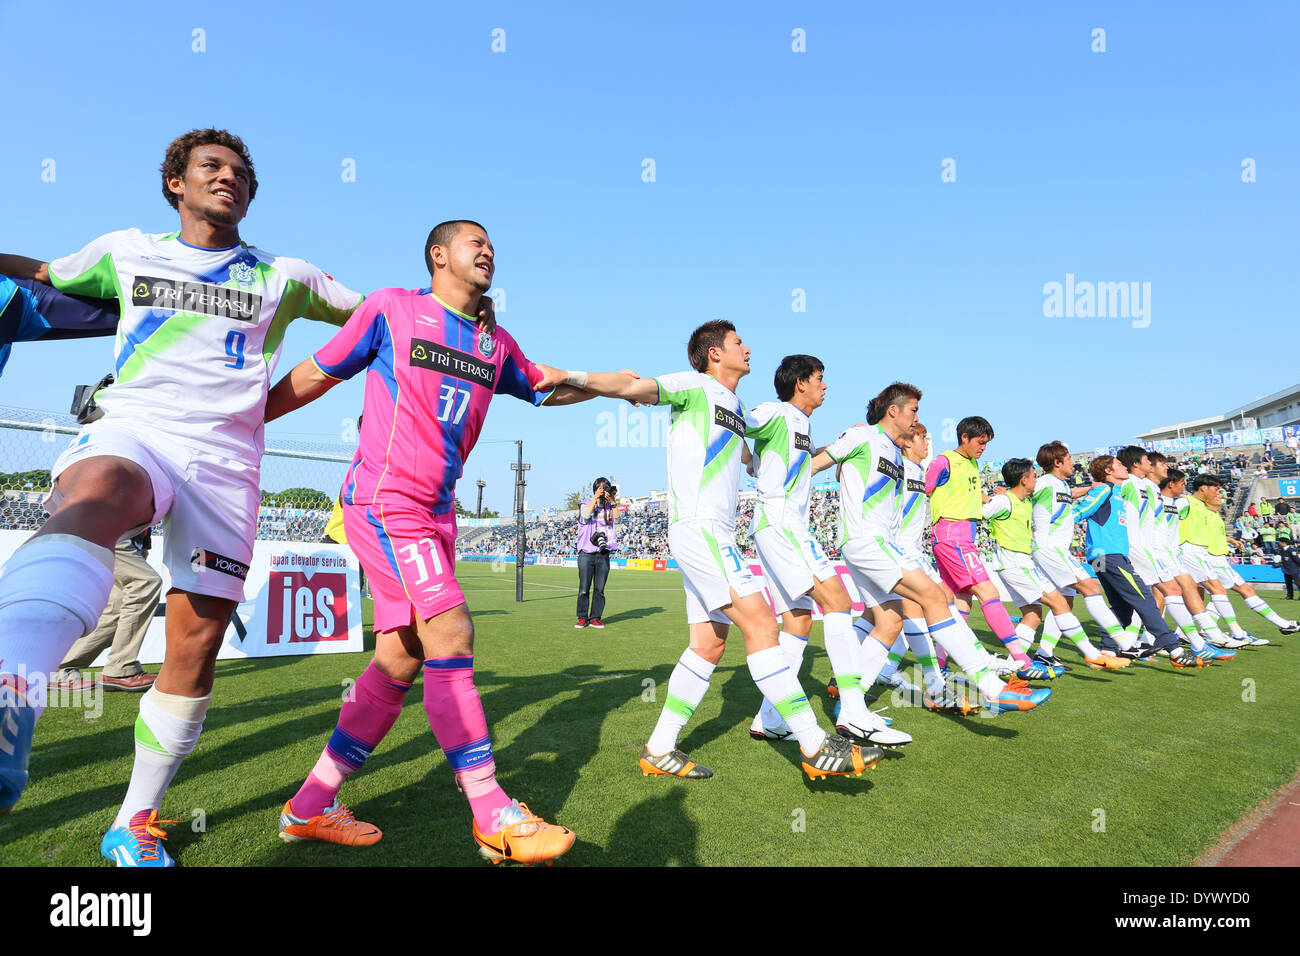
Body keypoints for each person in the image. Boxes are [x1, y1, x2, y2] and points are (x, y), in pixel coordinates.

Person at [0, 129, 415, 867]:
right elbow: (41, 274)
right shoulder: (125, 251)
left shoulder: (284, 274)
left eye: (241, 173)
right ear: (175, 184)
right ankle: (12, 681)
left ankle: (134, 820)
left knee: (195, 645)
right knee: (99, 491)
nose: (228, 178)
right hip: (136, 426)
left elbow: (379, 319)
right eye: (211, 168)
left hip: (228, 462)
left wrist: (443, 311)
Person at [268, 220, 581, 865]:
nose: (489, 250)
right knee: (453, 633)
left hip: (437, 515)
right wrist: (243, 422)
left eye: (494, 243)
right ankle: (492, 812)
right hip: (386, 503)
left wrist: (623, 388)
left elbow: (545, 386)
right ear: (439, 256)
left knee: (401, 660)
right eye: (476, 242)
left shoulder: (494, 342)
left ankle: (308, 808)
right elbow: (317, 372)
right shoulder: (392, 309)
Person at [539, 322, 885, 780]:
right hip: (702, 528)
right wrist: (571, 376)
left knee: (708, 645)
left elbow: (752, 455)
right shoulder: (695, 385)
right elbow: (629, 385)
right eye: (738, 342)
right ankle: (814, 743)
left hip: (711, 530)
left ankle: (660, 748)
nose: (748, 348)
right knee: (761, 622)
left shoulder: (737, 406)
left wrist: (841, 446)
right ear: (714, 354)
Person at [817, 383, 1051, 716]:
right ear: (894, 411)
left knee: (889, 620)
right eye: (914, 414)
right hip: (871, 543)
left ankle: (851, 703)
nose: (921, 431)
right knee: (933, 599)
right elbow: (824, 465)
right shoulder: (865, 439)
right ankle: (982, 685)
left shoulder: (897, 460)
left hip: (886, 546)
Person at [743, 354, 908, 748]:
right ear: (801, 382)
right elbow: (734, 421)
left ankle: (768, 719)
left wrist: (752, 461)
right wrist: (747, 453)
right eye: (820, 378)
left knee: (799, 622)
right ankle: (853, 711)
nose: (825, 385)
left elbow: (793, 457)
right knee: (838, 602)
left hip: (776, 526)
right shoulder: (775, 412)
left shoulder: (801, 424)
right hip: (782, 524)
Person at [926, 417, 1053, 678]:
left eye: (986, 443)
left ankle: (938, 663)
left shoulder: (972, 464)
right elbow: (920, 490)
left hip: (960, 537)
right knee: (989, 592)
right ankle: (1022, 661)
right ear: (964, 438)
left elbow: (970, 497)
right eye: (980, 442)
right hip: (952, 535)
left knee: (961, 602)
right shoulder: (944, 461)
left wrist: (993, 497)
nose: (984, 448)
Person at [1072, 457, 1205, 667]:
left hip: (1108, 556)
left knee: (1122, 606)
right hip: (1108, 555)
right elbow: (1077, 512)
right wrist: (1055, 525)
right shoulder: (1104, 490)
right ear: (1108, 470)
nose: (1125, 467)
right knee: (1144, 598)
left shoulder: (1118, 492)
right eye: (1119, 464)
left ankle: (1106, 652)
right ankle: (1174, 649)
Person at [51, 531, 162, 692]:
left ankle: (55, 667)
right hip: (110, 530)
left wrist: (143, 543)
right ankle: (121, 668)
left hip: (119, 535)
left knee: (118, 605)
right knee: (145, 582)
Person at [575, 477, 618, 628]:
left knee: (599, 589)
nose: (603, 491)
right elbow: (586, 515)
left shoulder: (608, 507)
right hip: (586, 552)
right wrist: (595, 497)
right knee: (584, 588)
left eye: (605, 488)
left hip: (603, 552)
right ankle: (582, 617)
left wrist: (612, 501)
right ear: (594, 490)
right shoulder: (585, 503)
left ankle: (595, 617)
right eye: (601, 488)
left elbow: (618, 517)